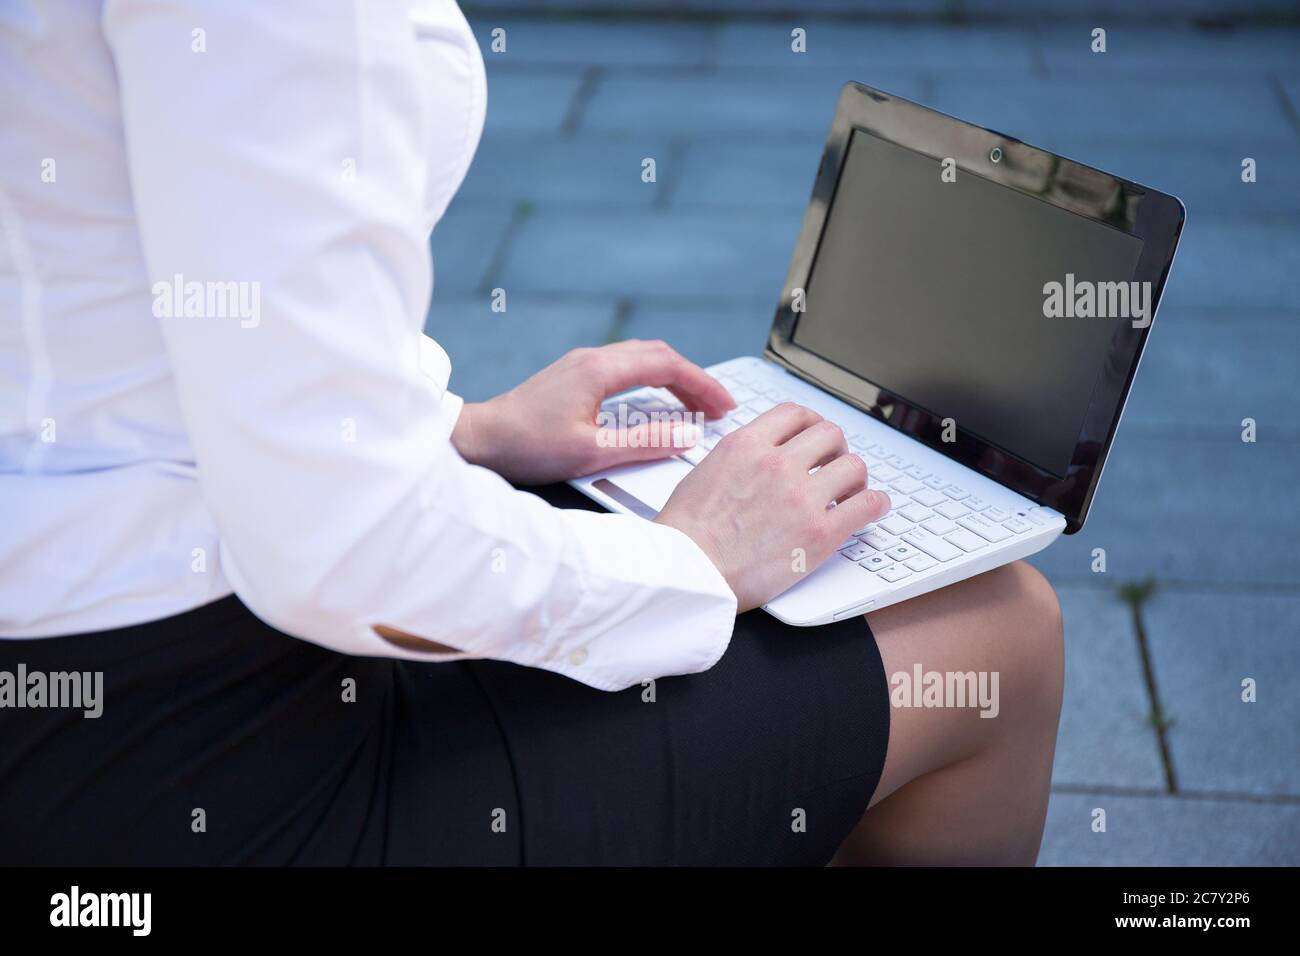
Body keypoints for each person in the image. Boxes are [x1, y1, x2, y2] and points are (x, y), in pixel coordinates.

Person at [0, 0, 1062, 865]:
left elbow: (128, 303)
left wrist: (462, 429)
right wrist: (685, 560)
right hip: (202, 769)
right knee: (999, 626)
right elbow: (338, 550)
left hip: (82, 696)